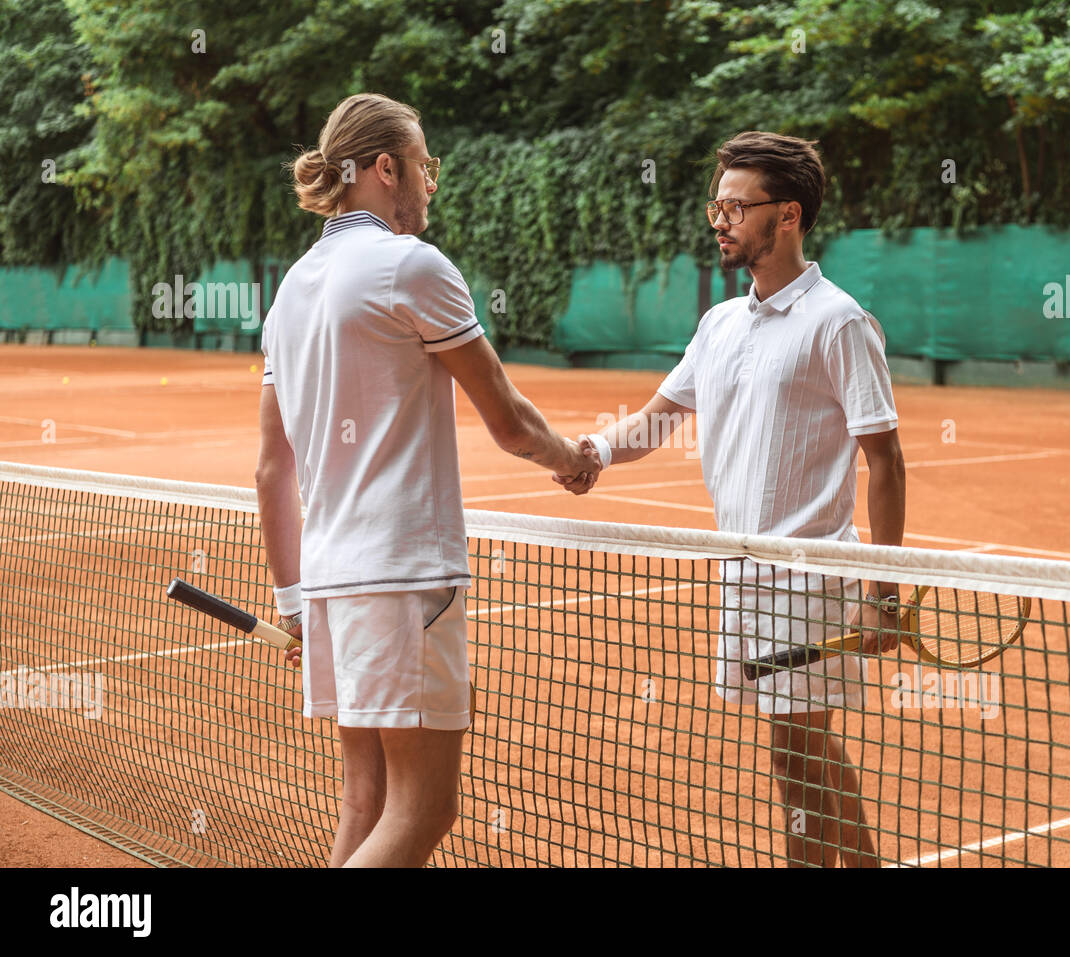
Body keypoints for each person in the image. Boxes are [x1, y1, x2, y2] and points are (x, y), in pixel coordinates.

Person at [256, 92, 600, 868]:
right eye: (424, 165)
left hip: (331, 579)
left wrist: (293, 599)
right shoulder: (411, 266)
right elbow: (509, 419)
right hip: (405, 575)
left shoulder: (291, 290)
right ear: (385, 168)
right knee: (425, 809)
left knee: (365, 800)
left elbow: (271, 467)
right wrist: (572, 461)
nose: (429, 183)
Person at [558, 131, 905, 867]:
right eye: (715, 205)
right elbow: (660, 414)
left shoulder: (839, 321)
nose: (719, 219)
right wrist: (596, 452)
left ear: (786, 216)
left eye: (734, 206)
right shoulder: (719, 323)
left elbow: (886, 458)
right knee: (800, 748)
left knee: (796, 753)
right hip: (740, 571)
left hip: (811, 574)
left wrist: (884, 591)